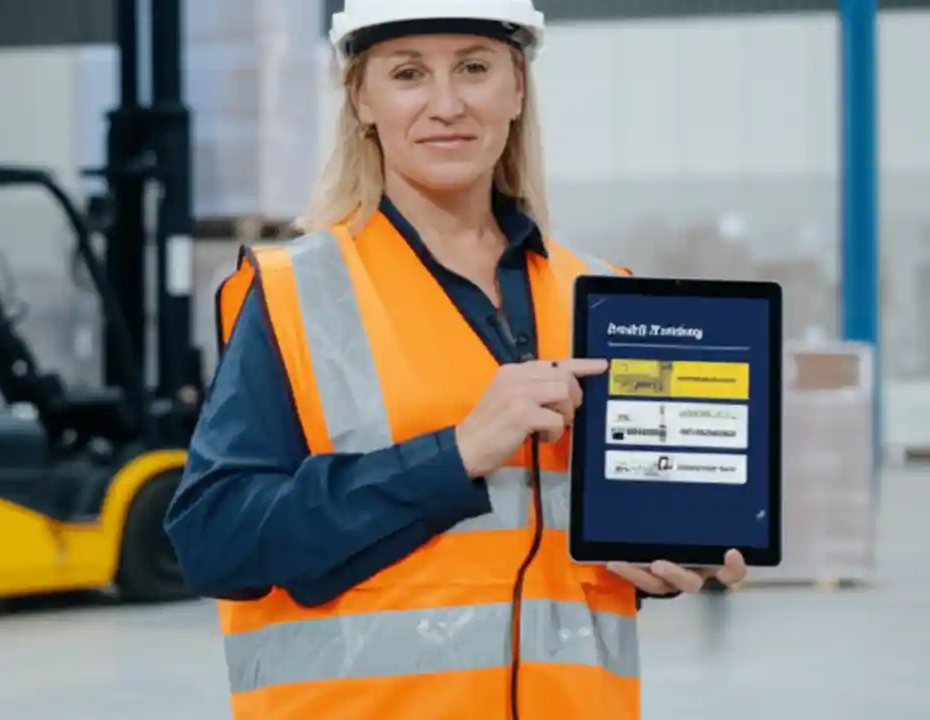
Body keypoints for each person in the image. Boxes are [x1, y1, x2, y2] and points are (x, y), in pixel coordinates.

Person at [165, 1, 747, 718]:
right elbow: (215, 541)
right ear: (361, 99)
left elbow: (524, 563)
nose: (447, 104)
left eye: (474, 67)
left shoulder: (595, 297)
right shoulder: (297, 293)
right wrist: (456, 454)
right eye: (408, 74)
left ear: (518, 86)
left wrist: (653, 558)